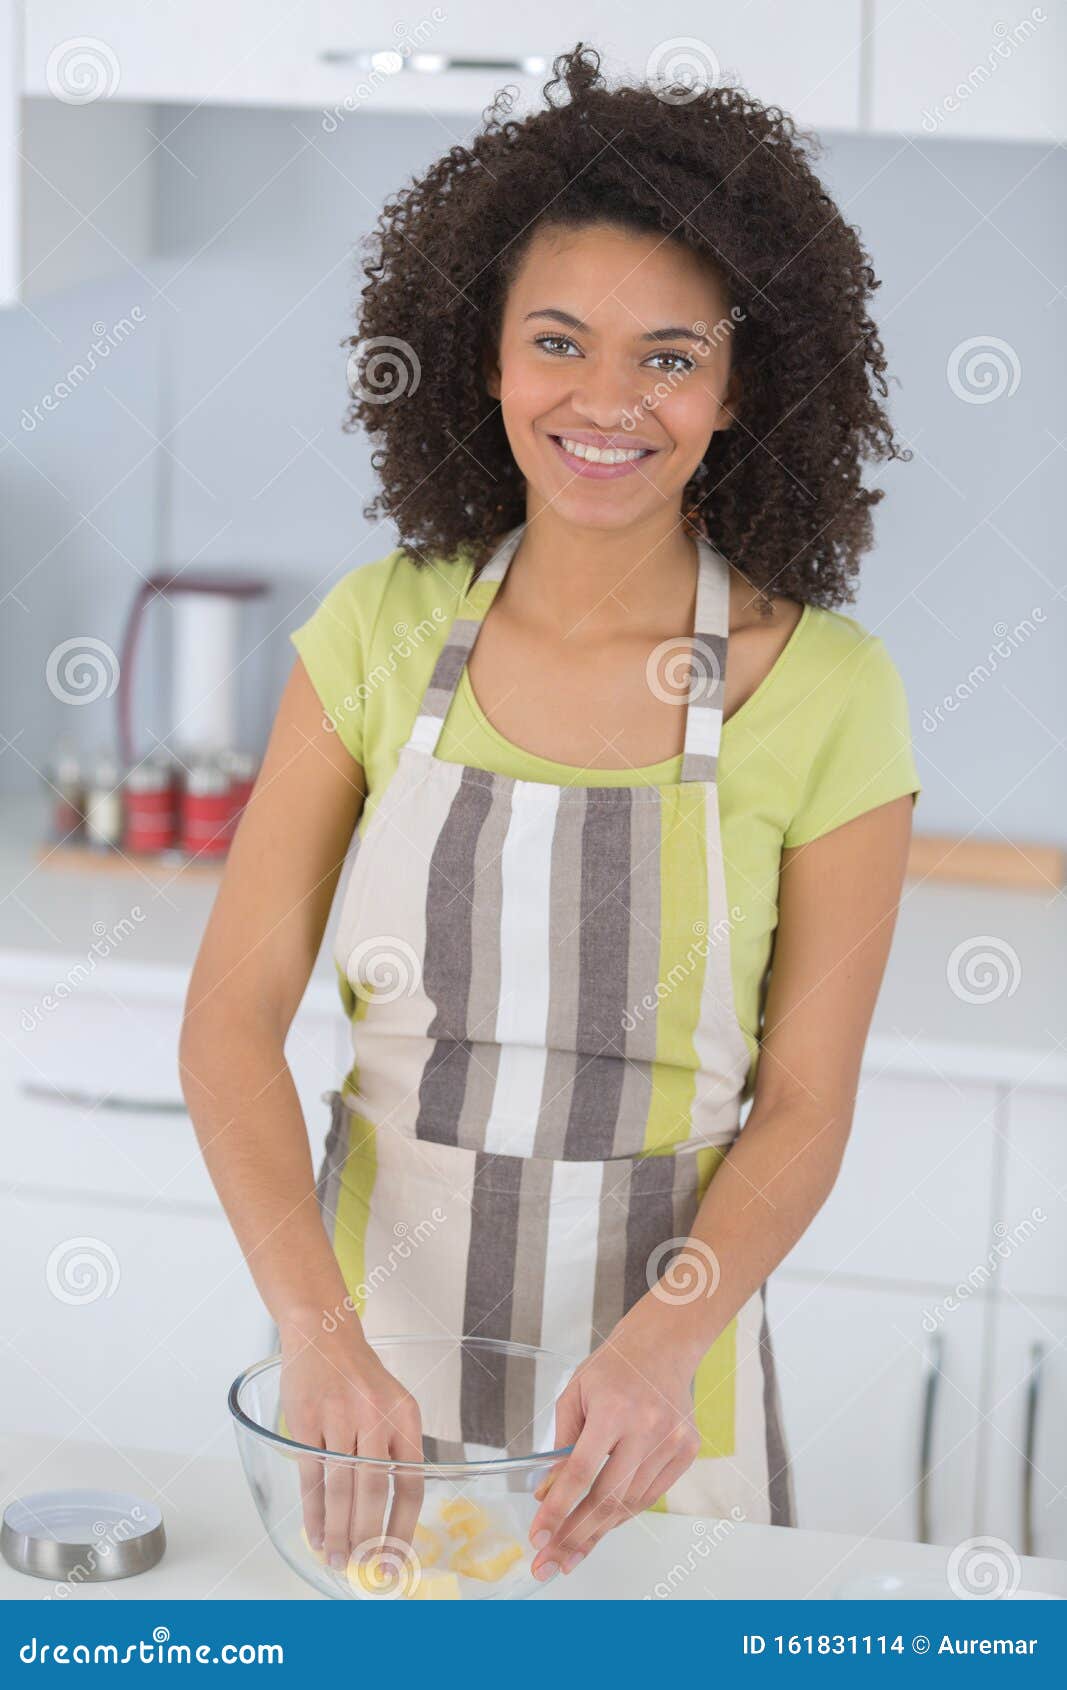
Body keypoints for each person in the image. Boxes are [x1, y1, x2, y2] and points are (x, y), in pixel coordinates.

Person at [181, 44, 921, 1586]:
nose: (606, 400)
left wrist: (663, 1349)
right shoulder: (378, 637)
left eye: (669, 355)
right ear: (483, 358)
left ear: (738, 387)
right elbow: (230, 1020)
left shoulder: (833, 692)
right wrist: (319, 1339)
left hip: (658, 1424)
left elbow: (804, 1104)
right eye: (559, 342)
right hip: (362, 1412)